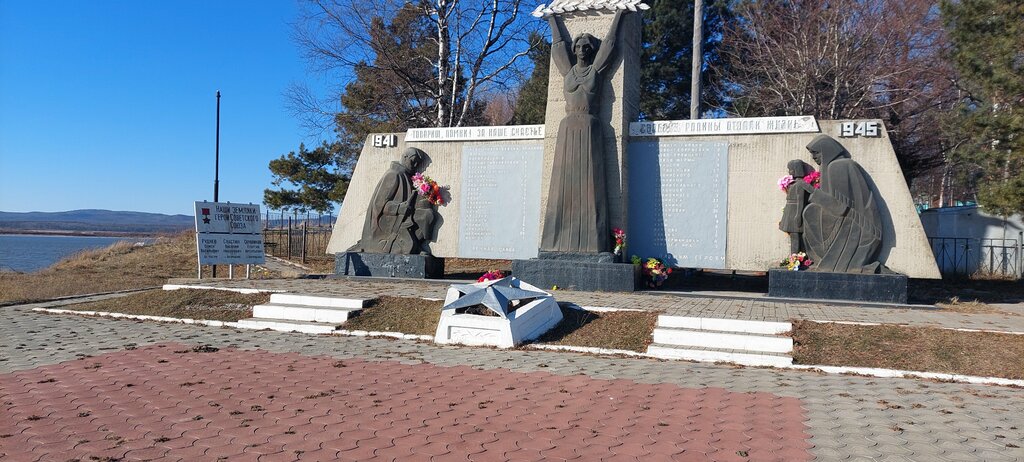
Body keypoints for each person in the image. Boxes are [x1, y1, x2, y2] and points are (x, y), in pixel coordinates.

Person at [540, 10, 627, 253]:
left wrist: (620, 14)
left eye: (587, 46)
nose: (581, 49)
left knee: (591, 187)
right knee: (561, 188)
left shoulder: (596, 71)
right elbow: (558, 45)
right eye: (578, 45)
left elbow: (610, 44)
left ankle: (592, 243)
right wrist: (552, 20)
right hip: (567, 129)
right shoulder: (567, 71)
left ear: (591, 50)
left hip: (590, 127)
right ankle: (555, 242)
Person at [801, 135, 885, 273]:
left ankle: (827, 259)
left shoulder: (839, 166)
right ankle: (819, 257)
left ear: (827, 150)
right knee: (811, 211)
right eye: (812, 154)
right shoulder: (835, 166)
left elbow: (840, 207)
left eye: (816, 152)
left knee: (810, 212)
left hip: (859, 227)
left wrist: (811, 191)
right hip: (853, 221)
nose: (813, 157)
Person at [350, 147, 426, 254]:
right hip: (388, 221)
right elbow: (379, 205)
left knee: (428, 215)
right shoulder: (393, 174)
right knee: (425, 217)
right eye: (413, 162)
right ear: (405, 157)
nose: (414, 166)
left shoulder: (406, 176)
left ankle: (415, 245)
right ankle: (412, 246)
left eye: (417, 163)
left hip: (404, 216)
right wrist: (399, 208)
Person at [779, 160, 816, 254]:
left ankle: (795, 257)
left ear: (796, 170)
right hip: (790, 211)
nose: (789, 172)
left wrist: (798, 215)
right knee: (793, 235)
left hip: (795, 212)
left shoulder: (800, 184)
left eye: (790, 170)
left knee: (795, 235)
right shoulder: (794, 183)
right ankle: (795, 257)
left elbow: (801, 200)